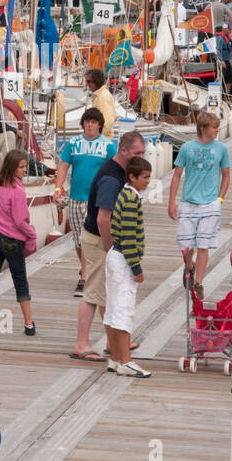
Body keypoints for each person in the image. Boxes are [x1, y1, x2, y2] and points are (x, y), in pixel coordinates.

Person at [70, 130, 145, 362]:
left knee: (106, 291)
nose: (141, 156)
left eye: (143, 152)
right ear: (123, 151)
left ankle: (113, 342)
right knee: (93, 292)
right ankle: (81, 343)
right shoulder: (112, 179)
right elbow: (104, 219)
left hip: (101, 239)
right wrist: (113, 248)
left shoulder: (121, 171)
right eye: (137, 153)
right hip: (97, 239)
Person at [54, 107, 117, 298]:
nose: (90, 124)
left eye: (94, 122)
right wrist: (58, 188)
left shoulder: (107, 145)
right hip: (75, 198)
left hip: (97, 200)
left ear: (99, 125)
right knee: (78, 239)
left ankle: (85, 276)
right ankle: (86, 270)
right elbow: (63, 166)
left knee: (93, 237)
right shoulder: (73, 143)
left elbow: (114, 170)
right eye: (87, 121)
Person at [168, 111, 231, 299]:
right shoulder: (187, 148)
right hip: (188, 202)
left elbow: (226, 175)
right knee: (186, 245)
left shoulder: (222, 148)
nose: (217, 130)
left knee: (204, 245)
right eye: (214, 127)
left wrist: (219, 199)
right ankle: (189, 266)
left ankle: (199, 283)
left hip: (210, 203)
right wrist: (172, 202)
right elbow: (177, 175)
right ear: (203, 128)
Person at [0, 150, 38, 336]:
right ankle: (28, 324)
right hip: (12, 239)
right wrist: (32, 235)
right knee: (20, 281)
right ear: (12, 168)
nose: (24, 170)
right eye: (21, 167)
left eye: (25, 166)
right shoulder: (17, 191)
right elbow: (20, 221)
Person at [105, 155, 153, 377]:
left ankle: (115, 358)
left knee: (113, 309)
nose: (148, 181)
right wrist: (136, 268)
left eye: (149, 177)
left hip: (114, 255)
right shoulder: (132, 199)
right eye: (144, 177)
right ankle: (126, 361)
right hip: (124, 259)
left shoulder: (123, 193)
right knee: (124, 310)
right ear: (132, 177)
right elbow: (128, 236)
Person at [85, 67, 117, 138]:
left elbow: (107, 122)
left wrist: (96, 138)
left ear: (96, 81)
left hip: (102, 141)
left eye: (88, 81)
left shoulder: (103, 96)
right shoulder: (99, 95)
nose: (86, 84)